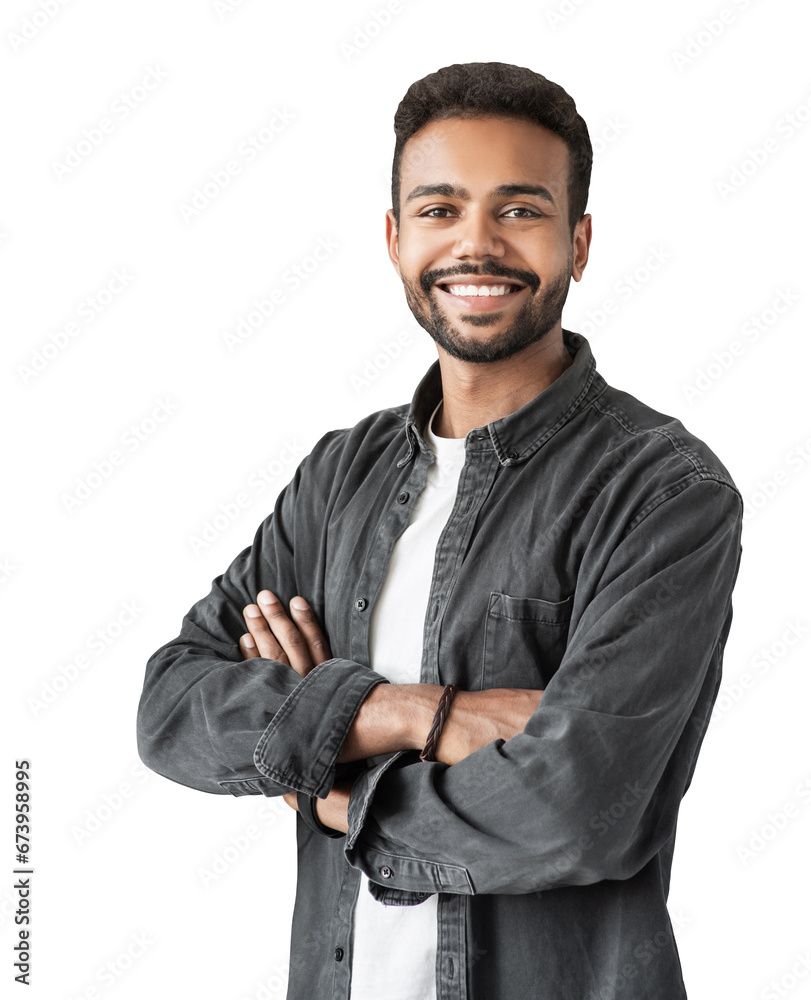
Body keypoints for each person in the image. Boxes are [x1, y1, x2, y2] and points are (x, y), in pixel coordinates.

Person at [137, 61, 743, 1000]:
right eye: (439, 209)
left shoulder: (662, 491)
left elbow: (576, 812)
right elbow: (174, 710)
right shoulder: (342, 475)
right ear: (394, 239)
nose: (476, 243)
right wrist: (416, 714)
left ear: (578, 243)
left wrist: (327, 785)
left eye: (519, 209)